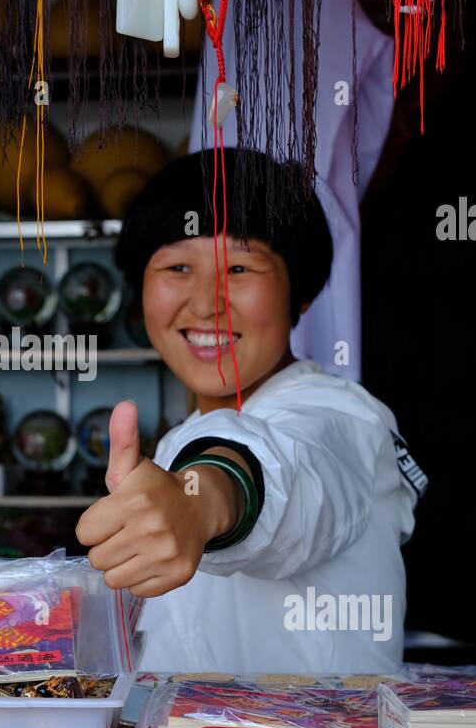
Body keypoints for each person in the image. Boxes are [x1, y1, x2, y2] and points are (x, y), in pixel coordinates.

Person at [75, 153, 420, 674]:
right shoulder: (176, 443)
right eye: (177, 267)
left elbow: (286, 476)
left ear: (300, 294)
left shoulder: (344, 419)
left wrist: (201, 502)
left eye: (239, 268)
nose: (206, 304)